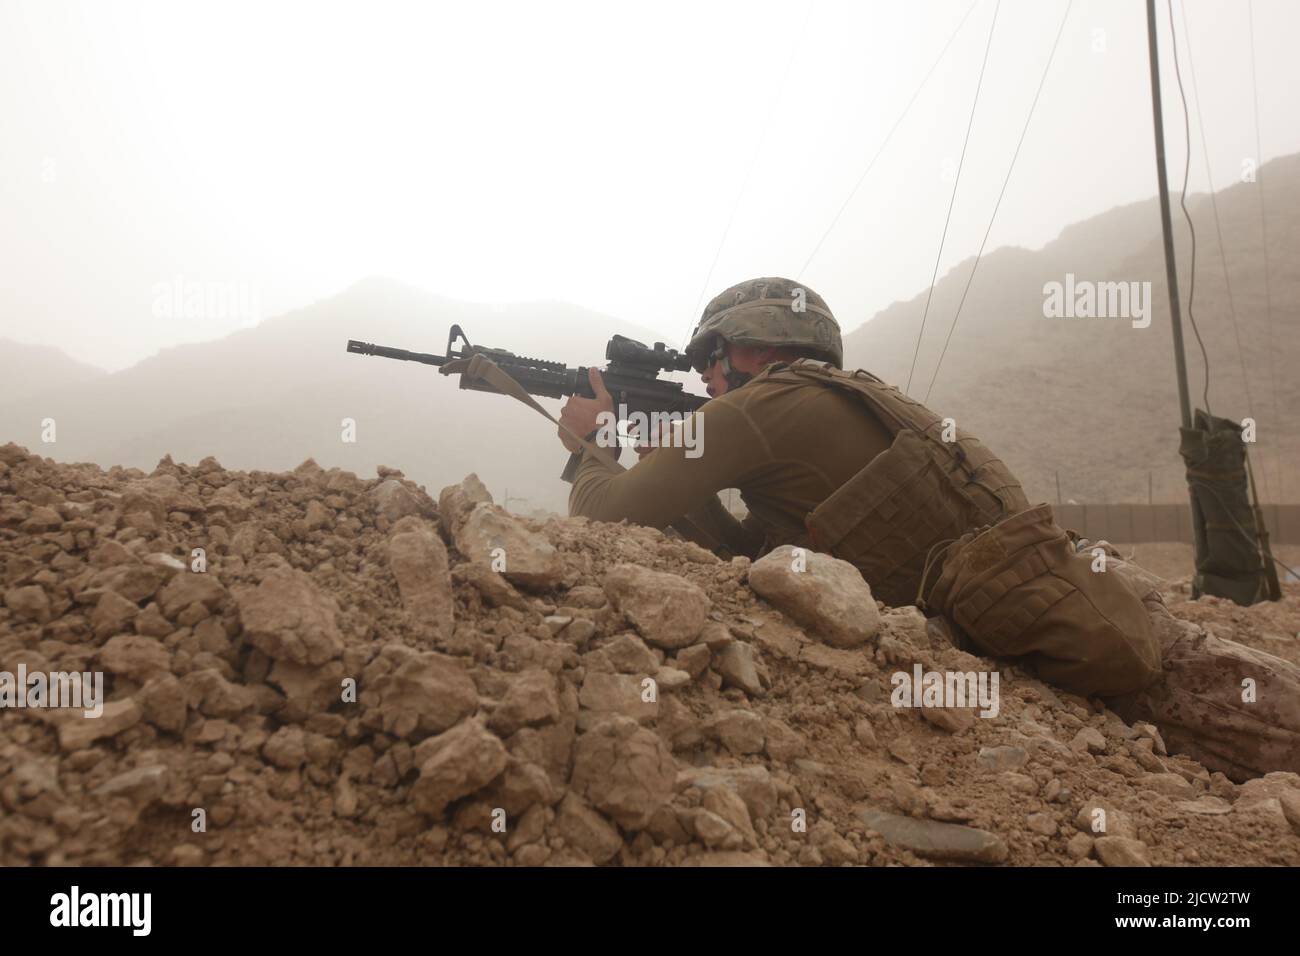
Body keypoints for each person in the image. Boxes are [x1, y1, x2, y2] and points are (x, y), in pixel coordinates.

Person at [556, 276, 1300, 781]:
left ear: (751, 348)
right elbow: (772, 559)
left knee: (1269, 730)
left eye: (711, 360)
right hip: (1082, 592)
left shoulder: (755, 409)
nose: (707, 381)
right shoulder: (848, 398)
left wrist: (591, 444)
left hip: (1075, 633)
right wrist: (679, 477)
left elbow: (599, 518)